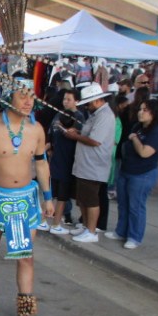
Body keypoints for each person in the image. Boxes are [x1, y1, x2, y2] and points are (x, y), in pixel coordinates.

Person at [0, 79, 55, 316]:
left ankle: (26, 312)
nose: (29, 101)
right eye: (22, 95)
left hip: (25, 202)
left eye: (32, 96)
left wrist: (47, 197)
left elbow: (41, 163)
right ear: (8, 98)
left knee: (25, 255)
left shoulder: (36, 129)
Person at [105, 99, 158, 249]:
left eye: (145, 110)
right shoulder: (138, 127)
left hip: (142, 174)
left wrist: (135, 139)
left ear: (153, 113)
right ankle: (121, 231)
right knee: (123, 203)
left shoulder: (156, 132)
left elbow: (145, 152)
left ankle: (134, 236)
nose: (140, 112)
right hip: (127, 170)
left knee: (136, 206)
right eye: (140, 109)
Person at [64, 82, 116, 242]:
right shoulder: (96, 114)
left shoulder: (105, 115)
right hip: (85, 165)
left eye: (87, 104)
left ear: (96, 101)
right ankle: (87, 227)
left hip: (94, 166)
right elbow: (90, 134)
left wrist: (76, 136)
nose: (86, 107)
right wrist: (79, 132)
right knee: (83, 199)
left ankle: (92, 231)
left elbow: (95, 140)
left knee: (91, 199)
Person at [46, 88, 84, 234]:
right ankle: (47, 220)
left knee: (63, 194)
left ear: (77, 101)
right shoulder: (58, 114)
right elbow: (51, 134)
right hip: (55, 158)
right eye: (64, 99)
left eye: (69, 99)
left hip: (68, 160)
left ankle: (56, 223)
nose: (65, 102)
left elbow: (76, 137)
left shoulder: (79, 117)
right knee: (51, 192)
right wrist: (48, 148)